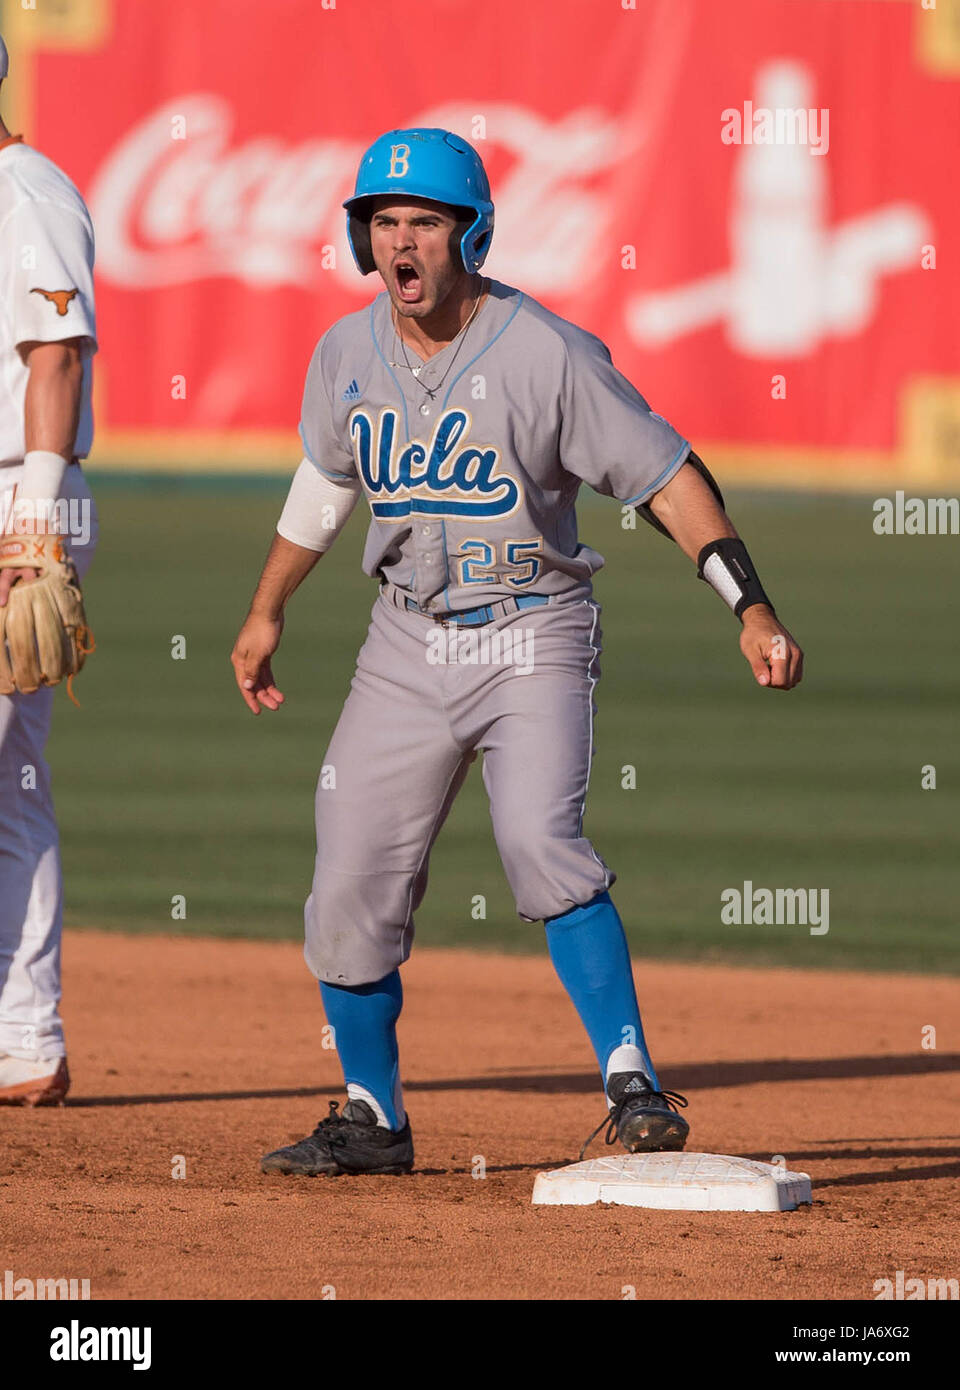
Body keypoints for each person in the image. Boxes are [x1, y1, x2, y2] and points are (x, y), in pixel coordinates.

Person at [231, 128, 803, 1176]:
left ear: (471, 235)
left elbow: (665, 477)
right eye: (383, 222)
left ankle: (632, 1081)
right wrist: (267, 611)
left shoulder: (545, 352)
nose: (401, 242)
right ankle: (372, 1113)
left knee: (542, 845)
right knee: (350, 877)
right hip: (403, 638)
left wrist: (749, 608)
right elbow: (321, 491)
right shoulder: (346, 356)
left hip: (533, 629)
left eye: (424, 223)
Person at [0, 34, 99, 1106]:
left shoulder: (23, 189)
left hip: (13, 498)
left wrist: (33, 525)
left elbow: (56, 355)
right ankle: (24, 1040)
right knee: (10, 781)